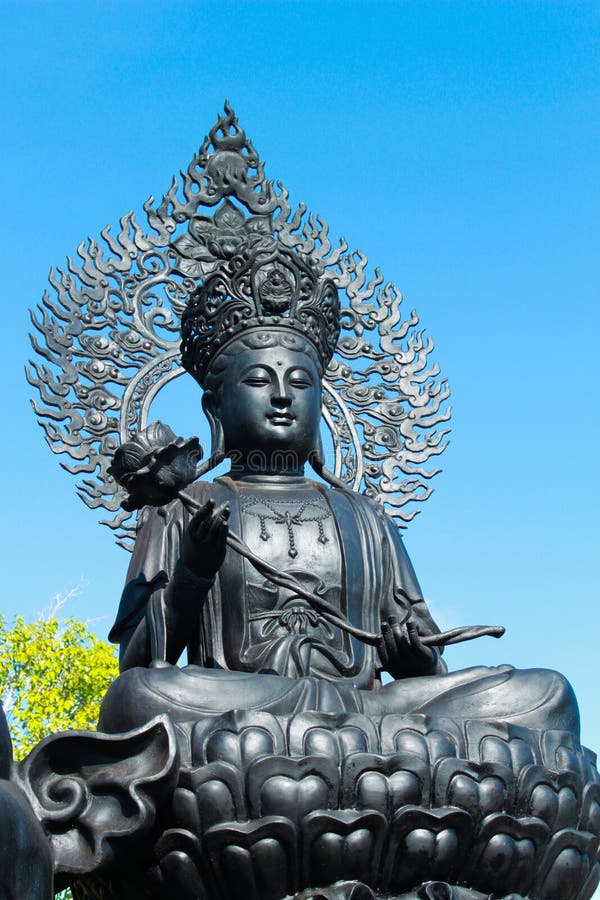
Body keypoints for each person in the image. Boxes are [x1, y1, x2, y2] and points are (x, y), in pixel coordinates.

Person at [99, 248, 578, 740]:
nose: (283, 395)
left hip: (370, 708)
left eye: (301, 382)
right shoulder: (185, 507)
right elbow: (136, 665)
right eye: (260, 380)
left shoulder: (366, 517)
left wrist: (414, 658)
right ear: (214, 407)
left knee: (544, 695)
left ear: (321, 401)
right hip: (240, 704)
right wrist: (192, 573)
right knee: (137, 700)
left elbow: (428, 663)